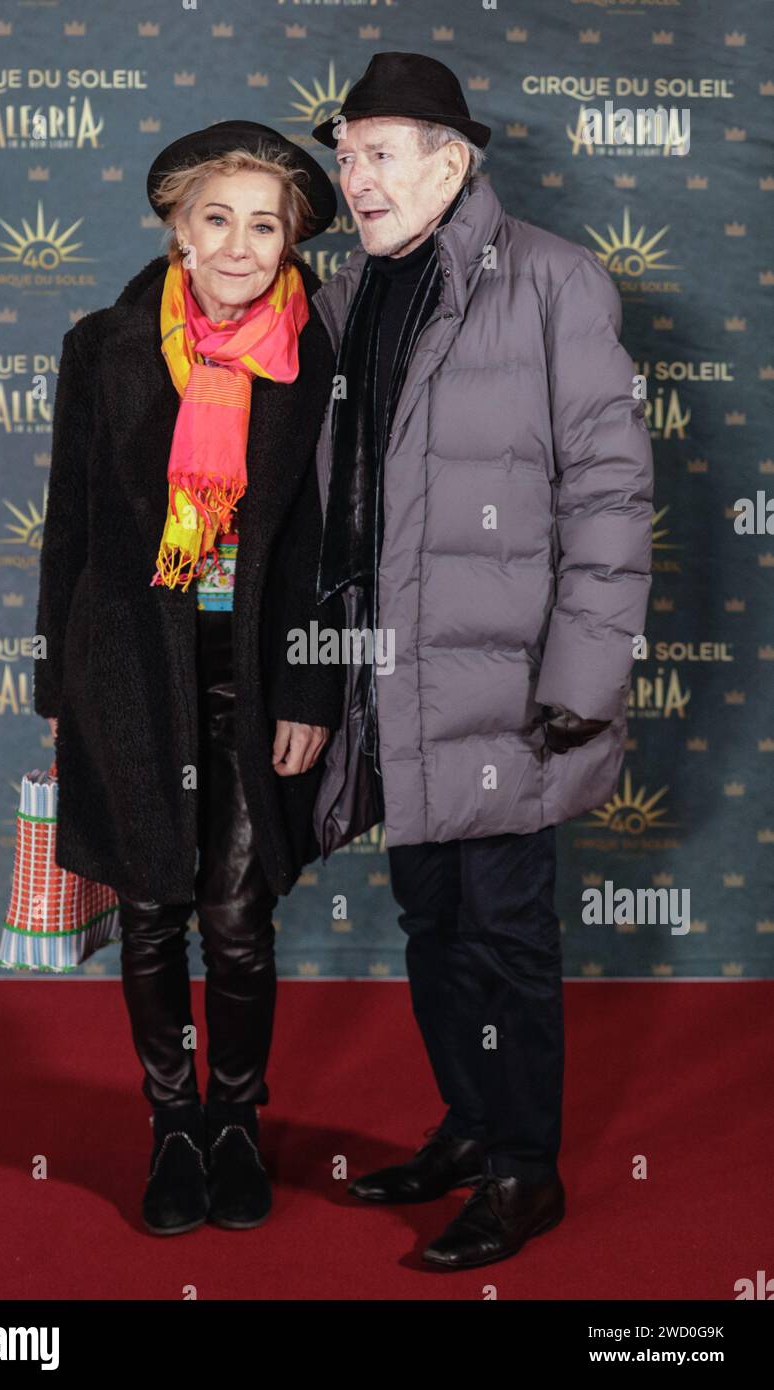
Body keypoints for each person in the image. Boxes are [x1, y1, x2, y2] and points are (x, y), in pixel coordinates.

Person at [309, 53, 654, 1268]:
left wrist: (579, 680)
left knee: (506, 934)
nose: (352, 177)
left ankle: (523, 1172)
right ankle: (467, 1122)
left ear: (452, 164)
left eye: (378, 153)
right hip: (395, 680)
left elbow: (610, 491)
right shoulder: (353, 292)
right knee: (430, 922)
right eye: (343, 156)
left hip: (511, 690)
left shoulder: (555, 280)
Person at [33, 122, 344, 1236]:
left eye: (265, 225)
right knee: (156, 904)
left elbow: (324, 535)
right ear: (177, 226)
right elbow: (67, 527)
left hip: (256, 674)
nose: (239, 244)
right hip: (128, 661)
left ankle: (235, 1121)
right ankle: (171, 1125)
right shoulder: (103, 345)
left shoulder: (318, 359)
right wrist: (55, 686)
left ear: (290, 241)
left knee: (236, 915)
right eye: (218, 218)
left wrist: (314, 686)